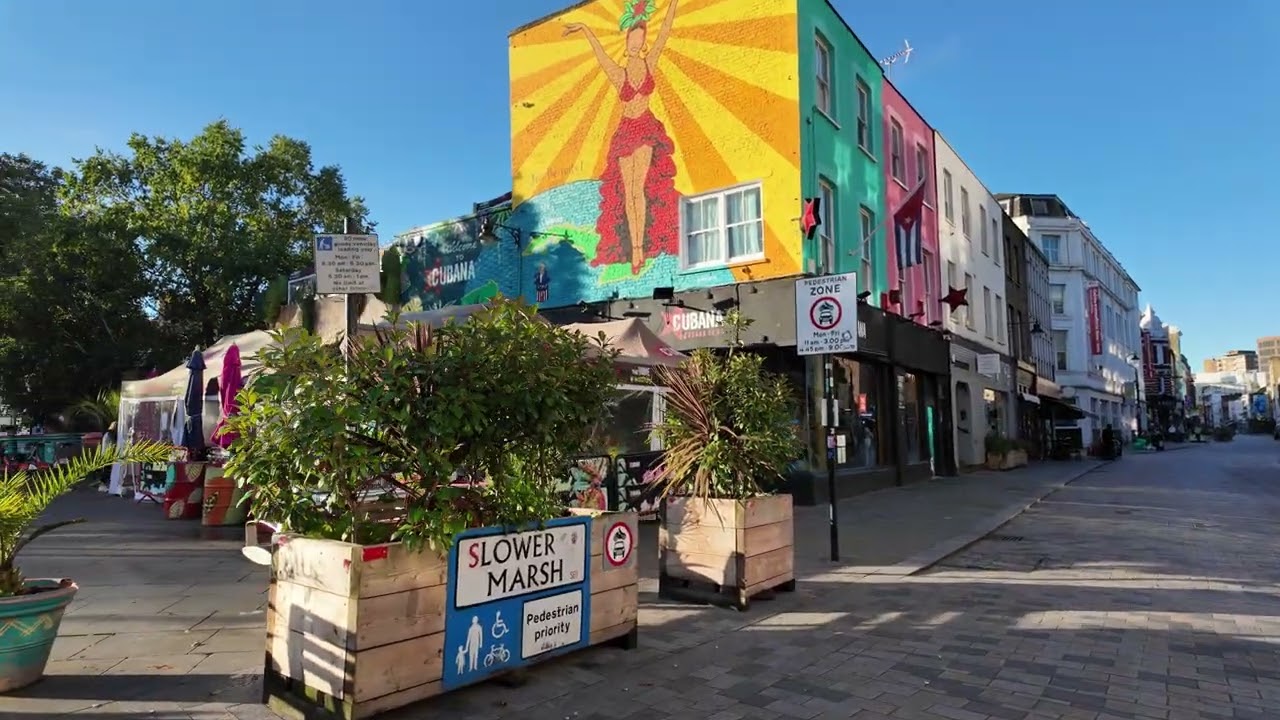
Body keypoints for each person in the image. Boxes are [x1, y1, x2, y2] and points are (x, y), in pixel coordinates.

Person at [565, 0, 680, 273]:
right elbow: (601, 55)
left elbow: (664, 32)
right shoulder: (619, 73)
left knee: (638, 189)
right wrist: (584, 28)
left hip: (645, 127)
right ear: (627, 40)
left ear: (643, 43)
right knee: (628, 193)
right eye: (632, 40)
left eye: (640, 41)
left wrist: (673, 3)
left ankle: (639, 250)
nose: (635, 45)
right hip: (626, 130)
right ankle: (634, 249)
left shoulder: (650, 62)